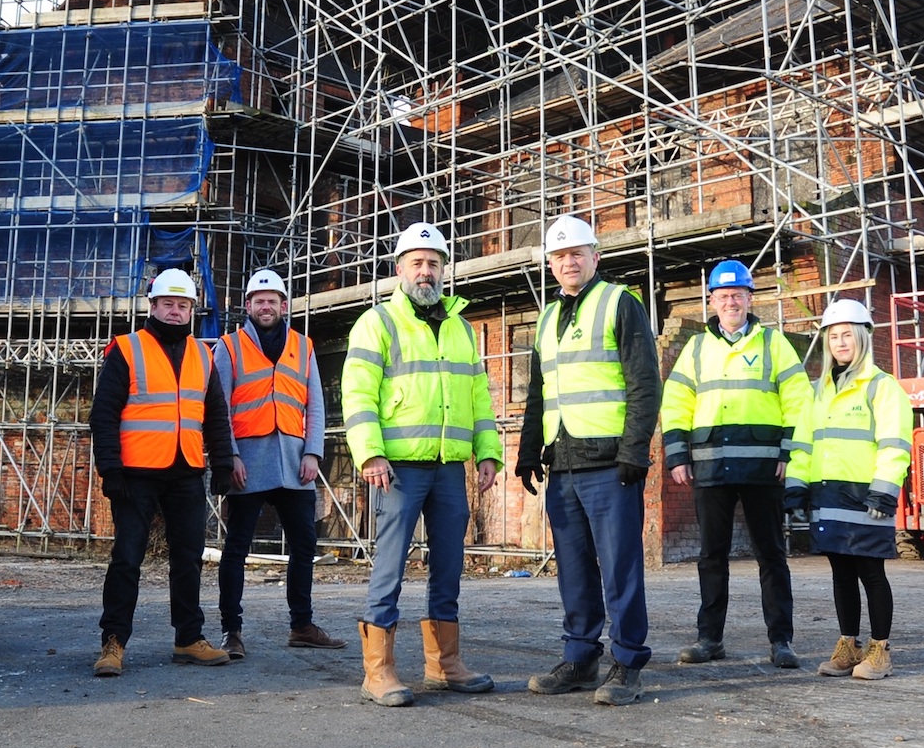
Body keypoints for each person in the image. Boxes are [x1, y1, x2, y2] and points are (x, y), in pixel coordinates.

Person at [341, 221, 504, 707]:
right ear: (400, 269)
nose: (426, 271)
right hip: (397, 468)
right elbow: (358, 392)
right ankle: (379, 670)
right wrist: (369, 451)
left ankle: (444, 664)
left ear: (444, 269)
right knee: (390, 565)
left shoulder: (460, 328)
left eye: (434, 263)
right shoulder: (379, 322)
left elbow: (478, 395)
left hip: (449, 466)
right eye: (417, 262)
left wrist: (489, 450)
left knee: (449, 565)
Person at [517, 215, 662, 706]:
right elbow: (538, 390)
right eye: (559, 256)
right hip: (563, 462)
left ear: (595, 257)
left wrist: (635, 451)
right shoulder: (545, 317)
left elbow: (645, 382)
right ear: (551, 266)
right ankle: (580, 657)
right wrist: (527, 450)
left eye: (577, 253)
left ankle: (626, 660)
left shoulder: (620, 303)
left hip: (609, 464)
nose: (568, 262)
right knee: (574, 568)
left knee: (621, 566)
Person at [660, 259, 813, 669]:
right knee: (712, 556)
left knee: (771, 555)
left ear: (750, 298)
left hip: (764, 468)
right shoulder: (695, 348)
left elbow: (799, 400)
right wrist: (677, 454)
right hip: (710, 467)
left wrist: (790, 452)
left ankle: (781, 641)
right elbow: (676, 403)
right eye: (723, 296)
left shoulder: (773, 343)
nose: (730, 302)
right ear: (711, 301)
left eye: (738, 295)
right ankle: (709, 639)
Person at [90, 268, 235, 677]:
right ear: (153, 306)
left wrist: (222, 462)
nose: (175, 312)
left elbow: (215, 417)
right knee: (127, 558)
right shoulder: (127, 349)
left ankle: (188, 638)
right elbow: (103, 415)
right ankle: (113, 642)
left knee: (188, 558)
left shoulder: (202, 355)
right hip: (135, 473)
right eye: (168, 304)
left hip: (187, 470)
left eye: (183, 305)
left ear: (192, 309)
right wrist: (110, 469)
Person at [213, 269, 346, 658]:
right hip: (247, 464)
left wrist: (312, 453)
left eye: (273, 300)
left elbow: (315, 405)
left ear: (284, 306)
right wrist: (230, 455)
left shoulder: (303, 347)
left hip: (294, 463)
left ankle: (302, 625)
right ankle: (231, 631)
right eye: (259, 300)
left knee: (304, 545)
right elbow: (219, 408)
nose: (266, 306)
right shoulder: (229, 347)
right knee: (236, 547)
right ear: (248, 306)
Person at [784, 299, 913, 680]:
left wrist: (884, 491)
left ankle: (880, 650)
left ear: (862, 337)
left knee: (871, 573)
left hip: (866, 498)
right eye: (834, 336)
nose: (841, 343)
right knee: (841, 573)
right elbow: (803, 444)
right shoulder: (819, 390)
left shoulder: (881, 387)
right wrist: (796, 487)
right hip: (828, 496)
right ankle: (849, 646)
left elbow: (895, 444)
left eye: (847, 335)